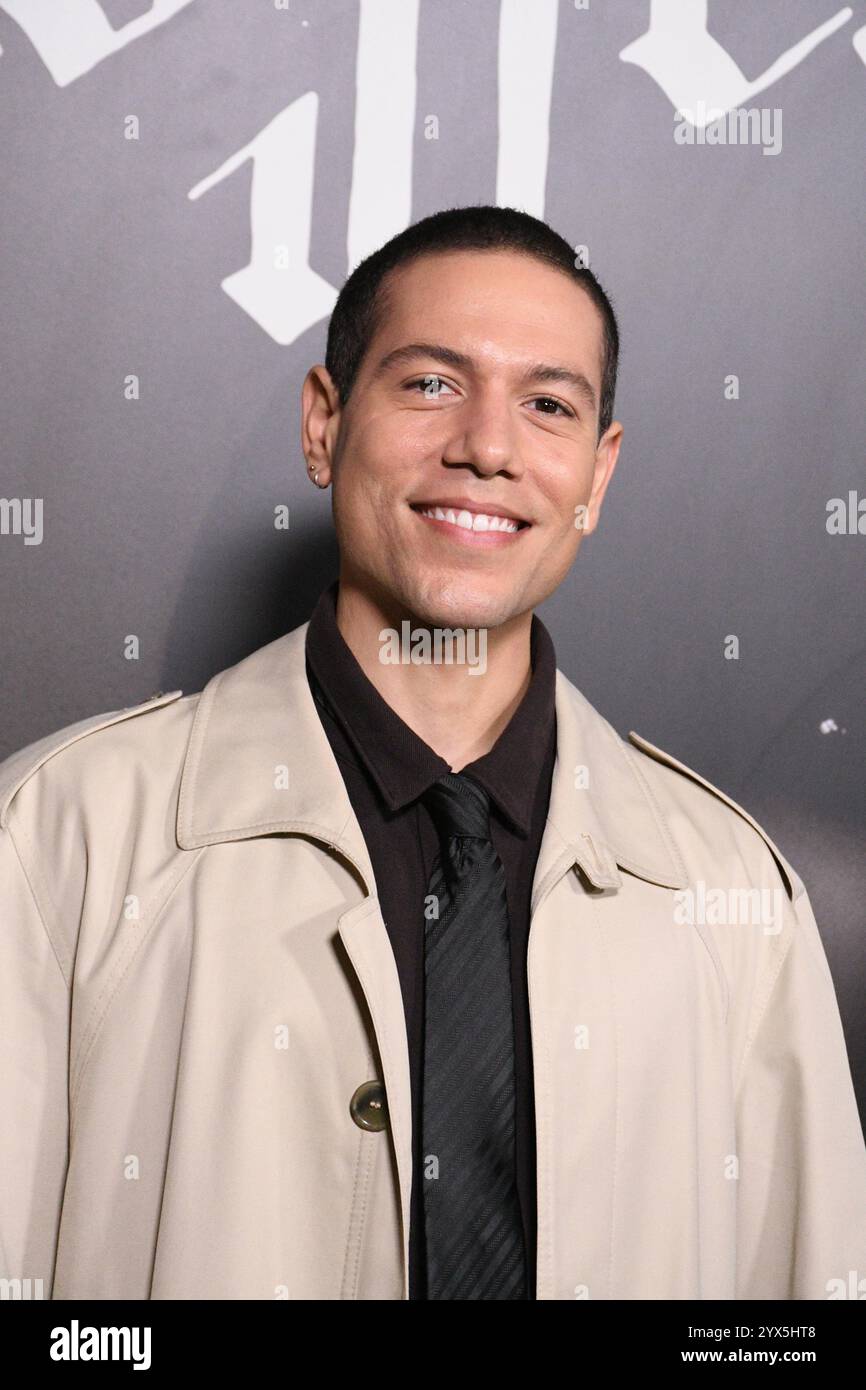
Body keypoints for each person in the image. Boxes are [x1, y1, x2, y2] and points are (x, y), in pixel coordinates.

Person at [2, 205, 865, 1301]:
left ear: (595, 477)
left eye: (546, 405)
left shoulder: (730, 889)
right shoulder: (57, 837)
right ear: (323, 424)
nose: (487, 449)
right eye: (429, 385)